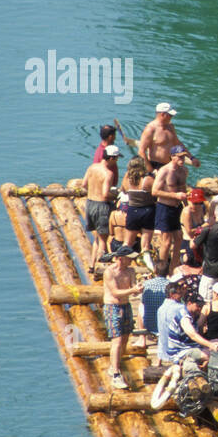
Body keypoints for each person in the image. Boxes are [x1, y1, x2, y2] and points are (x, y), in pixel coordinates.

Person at [102, 247, 143, 389]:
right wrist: (133, 290)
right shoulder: (109, 272)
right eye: (129, 258)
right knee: (117, 340)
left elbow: (132, 288)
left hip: (126, 307)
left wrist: (138, 288)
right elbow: (115, 292)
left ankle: (115, 365)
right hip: (113, 307)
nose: (131, 260)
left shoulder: (131, 271)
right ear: (120, 258)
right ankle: (115, 373)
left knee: (125, 339)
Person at [151, 149, 191, 275]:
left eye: (183, 157)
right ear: (172, 156)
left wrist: (186, 206)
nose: (182, 160)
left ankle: (173, 269)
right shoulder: (164, 171)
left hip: (177, 208)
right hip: (165, 208)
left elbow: (183, 188)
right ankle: (161, 271)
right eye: (179, 157)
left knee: (179, 237)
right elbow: (155, 191)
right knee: (167, 242)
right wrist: (175, 195)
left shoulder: (184, 171)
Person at [82, 144, 121, 267]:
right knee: (103, 240)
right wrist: (115, 196)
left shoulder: (92, 167)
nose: (117, 162)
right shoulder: (108, 173)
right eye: (116, 159)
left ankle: (92, 265)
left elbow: (84, 184)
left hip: (89, 204)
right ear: (111, 158)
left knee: (98, 238)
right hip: (101, 207)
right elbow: (105, 194)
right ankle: (102, 267)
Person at [157, 285, 217, 364]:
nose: (200, 308)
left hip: (178, 349)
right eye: (198, 306)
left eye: (201, 306)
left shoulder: (161, 308)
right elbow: (192, 334)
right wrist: (210, 345)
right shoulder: (182, 311)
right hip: (179, 351)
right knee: (214, 355)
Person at [137, 102, 198, 171]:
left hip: (170, 165)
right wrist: (150, 170)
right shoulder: (151, 129)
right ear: (163, 114)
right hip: (155, 166)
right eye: (170, 115)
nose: (172, 117)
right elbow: (141, 151)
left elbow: (177, 143)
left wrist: (192, 158)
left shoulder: (170, 126)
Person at [120, 156, 156, 258]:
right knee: (145, 246)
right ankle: (148, 266)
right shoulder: (148, 180)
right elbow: (156, 192)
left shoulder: (127, 180)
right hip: (148, 211)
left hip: (132, 211)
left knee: (127, 243)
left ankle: (120, 261)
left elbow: (123, 190)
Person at [179, 188, 207, 267]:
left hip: (200, 240)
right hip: (188, 241)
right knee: (188, 259)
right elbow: (190, 232)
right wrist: (205, 226)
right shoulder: (187, 212)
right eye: (195, 203)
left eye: (200, 203)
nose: (197, 205)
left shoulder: (201, 208)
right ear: (189, 201)